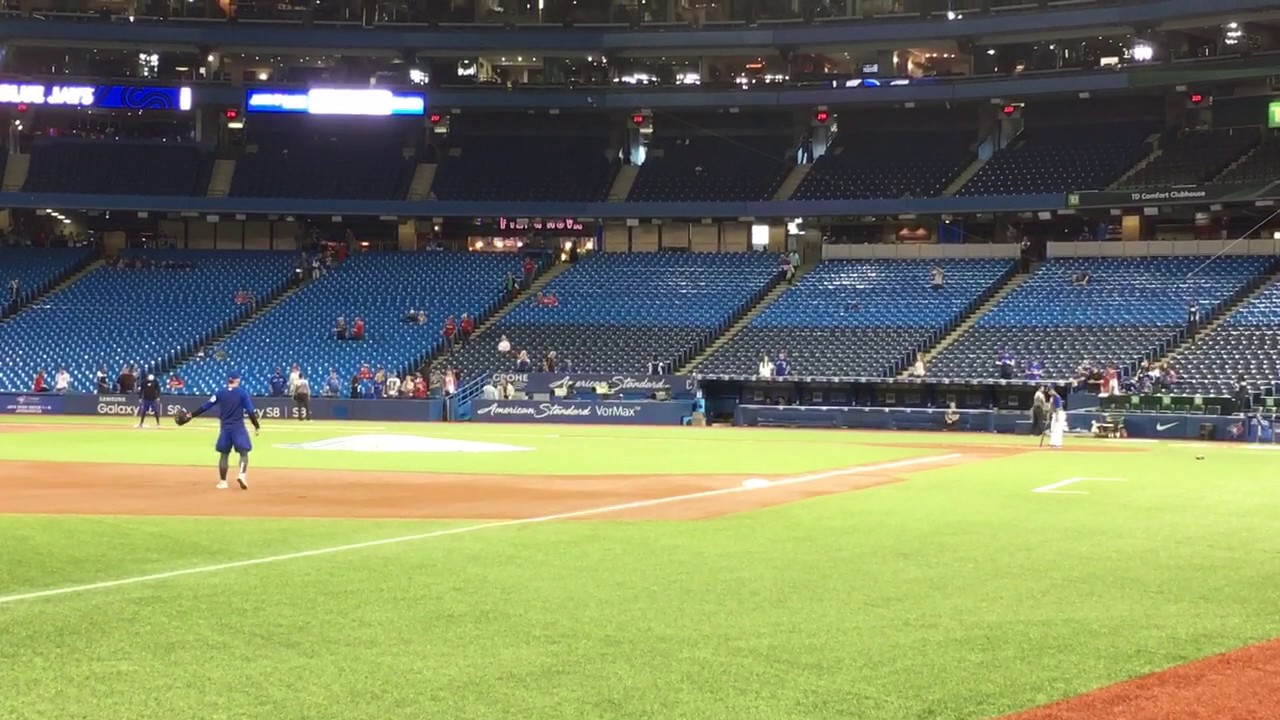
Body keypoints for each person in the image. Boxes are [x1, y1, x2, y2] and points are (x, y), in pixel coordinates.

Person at [175, 371, 260, 490]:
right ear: (237, 380)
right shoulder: (242, 393)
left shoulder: (220, 392)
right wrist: (256, 425)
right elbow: (251, 411)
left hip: (225, 428)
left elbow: (206, 406)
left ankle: (223, 481)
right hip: (238, 427)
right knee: (243, 453)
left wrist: (191, 415)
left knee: (224, 454)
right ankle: (241, 475)